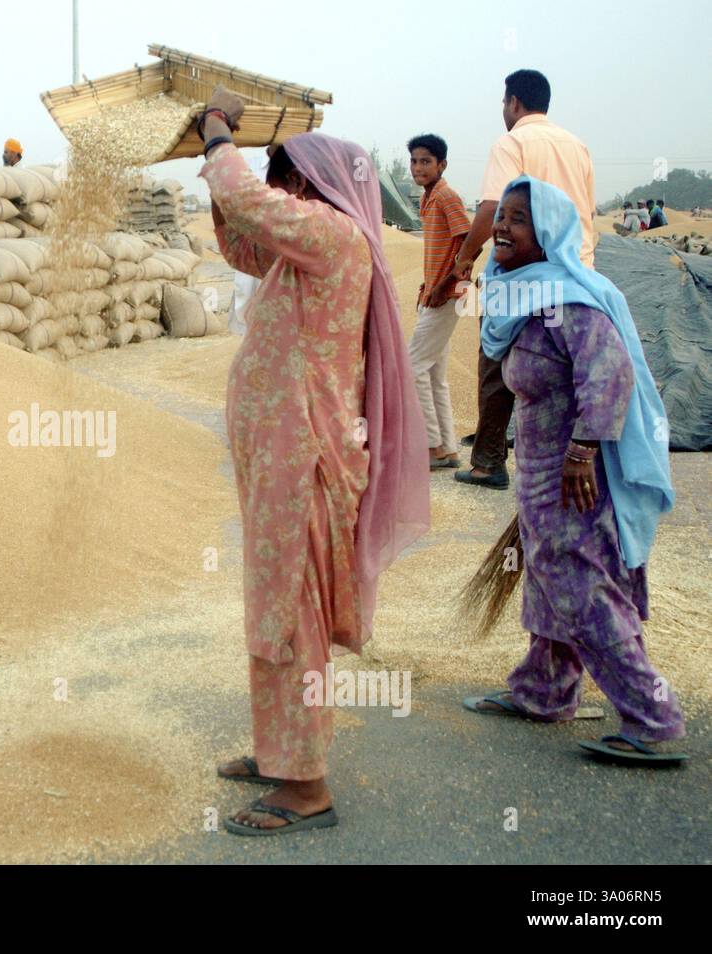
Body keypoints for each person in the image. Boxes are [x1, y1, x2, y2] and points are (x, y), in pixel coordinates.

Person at [197, 88, 429, 834]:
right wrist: (222, 174)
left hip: (304, 463)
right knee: (274, 606)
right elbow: (242, 241)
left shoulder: (334, 235)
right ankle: (281, 753)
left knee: (290, 612)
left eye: (289, 174)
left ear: (317, 183)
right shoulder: (308, 247)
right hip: (281, 458)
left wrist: (214, 133)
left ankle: (305, 789)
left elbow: (246, 200)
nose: (282, 187)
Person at [461, 176, 685, 765]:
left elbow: (610, 376)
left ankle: (653, 717)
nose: (502, 227)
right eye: (501, 216)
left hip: (576, 478)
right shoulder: (519, 295)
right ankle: (545, 690)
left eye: (518, 219)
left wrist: (583, 451)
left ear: (550, 234)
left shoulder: (569, 300)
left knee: (584, 590)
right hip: (540, 474)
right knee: (548, 578)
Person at [450, 69, 596, 491]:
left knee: (495, 359)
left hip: (522, 275)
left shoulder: (511, 142)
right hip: (574, 274)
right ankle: (558, 457)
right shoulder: (578, 146)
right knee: (564, 369)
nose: (503, 111)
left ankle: (488, 461)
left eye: (503, 103)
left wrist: (465, 256)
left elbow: (493, 205)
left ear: (513, 102)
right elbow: (584, 213)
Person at [406, 133, 470, 470]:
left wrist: (444, 284)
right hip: (431, 292)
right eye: (415, 161)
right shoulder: (428, 198)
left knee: (411, 366)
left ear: (442, 164)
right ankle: (447, 447)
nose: (418, 167)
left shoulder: (446, 196)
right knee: (433, 374)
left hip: (444, 298)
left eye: (426, 161)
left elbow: (469, 242)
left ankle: (430, 445)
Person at [226, 149, 274, 334]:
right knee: (246, 294)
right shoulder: (251, 167)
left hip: (280, 243)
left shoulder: (299, 163)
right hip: (252, 242)